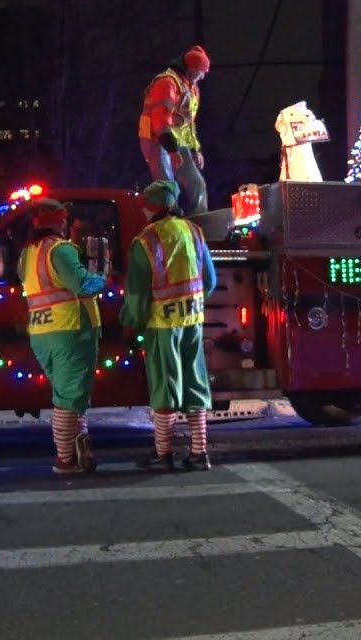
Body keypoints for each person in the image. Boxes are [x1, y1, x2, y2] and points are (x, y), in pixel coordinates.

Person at [120, 180, 218, 470]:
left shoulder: (145, 241)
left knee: (165, 387)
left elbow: (137, 295)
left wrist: (130, 324)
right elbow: (209, 281)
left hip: (162, 324)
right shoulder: (194, 231)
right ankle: (199, 453)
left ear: (153, 208)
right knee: (195, 382)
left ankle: (163, 454)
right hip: (193, 321)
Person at [18, 199, 107, 474]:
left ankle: (78, 447)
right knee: (69, 399)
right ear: (58, 222)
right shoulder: (61, 250)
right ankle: (64, 460)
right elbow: (82, 283)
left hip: (42, 332)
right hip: (70, 330)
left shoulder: (27, 254)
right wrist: (105, 276)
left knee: (67, 394)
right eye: (63, 219)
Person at [138, 46, 211, 215]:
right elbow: (160, 121)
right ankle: (170, 220)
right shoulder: (166, 83)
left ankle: (198, 223)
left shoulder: (191, 88)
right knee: (167, 186)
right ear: (192, 69)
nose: (203, 76)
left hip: (175, 141)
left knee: (196, 184)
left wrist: (194, 150)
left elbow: (188, 124)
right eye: (202, 71)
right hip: (155, 139)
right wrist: (171, 151)